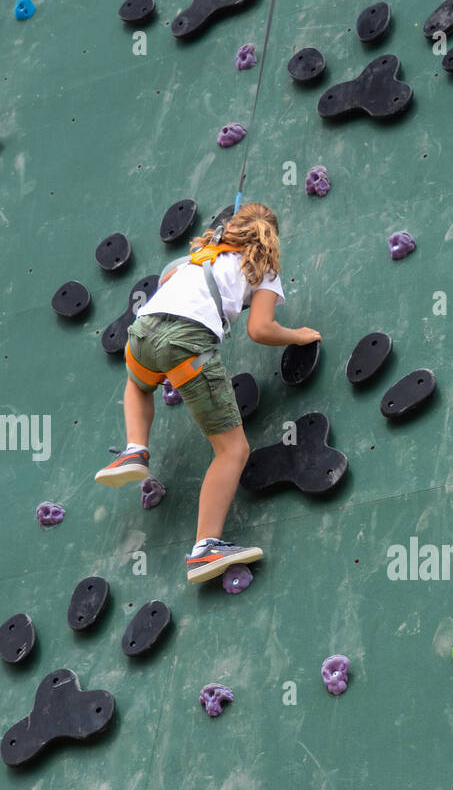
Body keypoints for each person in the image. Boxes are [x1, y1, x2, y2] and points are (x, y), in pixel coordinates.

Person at [94, 202, 321, 583]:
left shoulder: (199, 255)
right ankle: (205, 548)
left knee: (138, 384)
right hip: (187, 344)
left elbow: (166, 286)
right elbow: (260, 329)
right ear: (270, 240)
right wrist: (297, 335)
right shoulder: (263, 269)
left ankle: (135, 449)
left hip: (143, 331)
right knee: (233, 450)